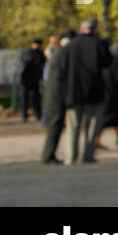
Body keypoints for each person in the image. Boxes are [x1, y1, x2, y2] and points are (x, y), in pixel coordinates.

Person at [59, 17, 112, 165]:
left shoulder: (70, 45)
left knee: (73, 125)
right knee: (93, 124)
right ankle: (87, 154)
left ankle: (71, 156)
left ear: (81, 28)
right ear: (95, 29)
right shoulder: (99, 44)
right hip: (94, 90)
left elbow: (62, 68)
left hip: (74, 91)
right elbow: (107, 62)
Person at [40, 30, 74, 164]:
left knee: (55, 124)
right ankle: (48, 155)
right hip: (56, 95)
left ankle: (49, 155)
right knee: (55, 125)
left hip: (53, 94)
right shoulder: (62, 53)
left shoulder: (58, 52)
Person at [94, 42, 118, 149]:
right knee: (107, 117)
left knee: (113, 117)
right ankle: (96, 140)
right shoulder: (115, 63)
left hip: (107, 92)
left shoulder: (106, 61)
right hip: (112, 93)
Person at [15, 39, 45, 122]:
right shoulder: (38, 53)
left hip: (27, 79)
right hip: (30, 79)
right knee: (34, 98)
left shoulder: (28, 53)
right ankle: (36, 115)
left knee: (27, 98)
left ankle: (26, 115)